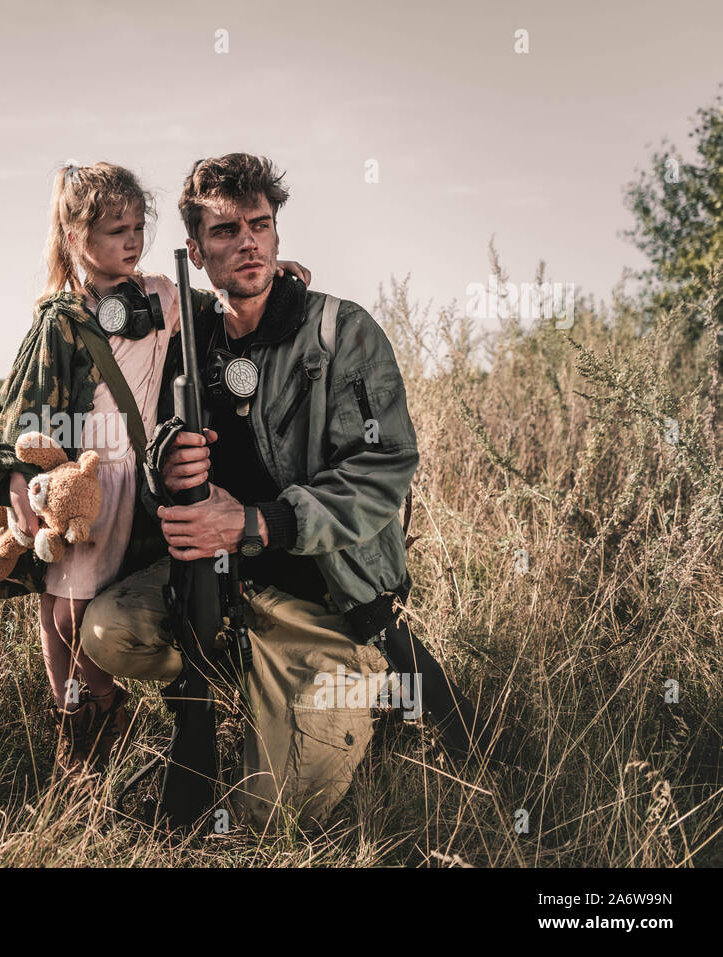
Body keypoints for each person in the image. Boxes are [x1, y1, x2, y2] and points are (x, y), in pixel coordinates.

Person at [80, 152, 473, 829]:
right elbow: (161, 455)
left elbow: (381, 471)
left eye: (259, 224)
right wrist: (164, 464)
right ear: (197, 252)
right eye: (226, 231)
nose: (248, 242)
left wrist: (257, 524)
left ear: (278, 236)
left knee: (272, 818)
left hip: (324, 602)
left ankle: (366, 684)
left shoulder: (342, 332)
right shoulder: (194, 337)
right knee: (107, 628)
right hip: (225, 592)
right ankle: (214, 704)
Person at [0, 160, 310, 774]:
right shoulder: (62, 319)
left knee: (89, 608)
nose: (131, 242)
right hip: (85, 487)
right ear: (77, 239)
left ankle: (99, 709)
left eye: (136, 228)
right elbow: (26, 410)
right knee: (61, 608)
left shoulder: (158, 294)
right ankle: (79, 717)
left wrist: (271, 278)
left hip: (139, 482)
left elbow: (220, 310)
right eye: (114, 232)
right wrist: (19, 478)